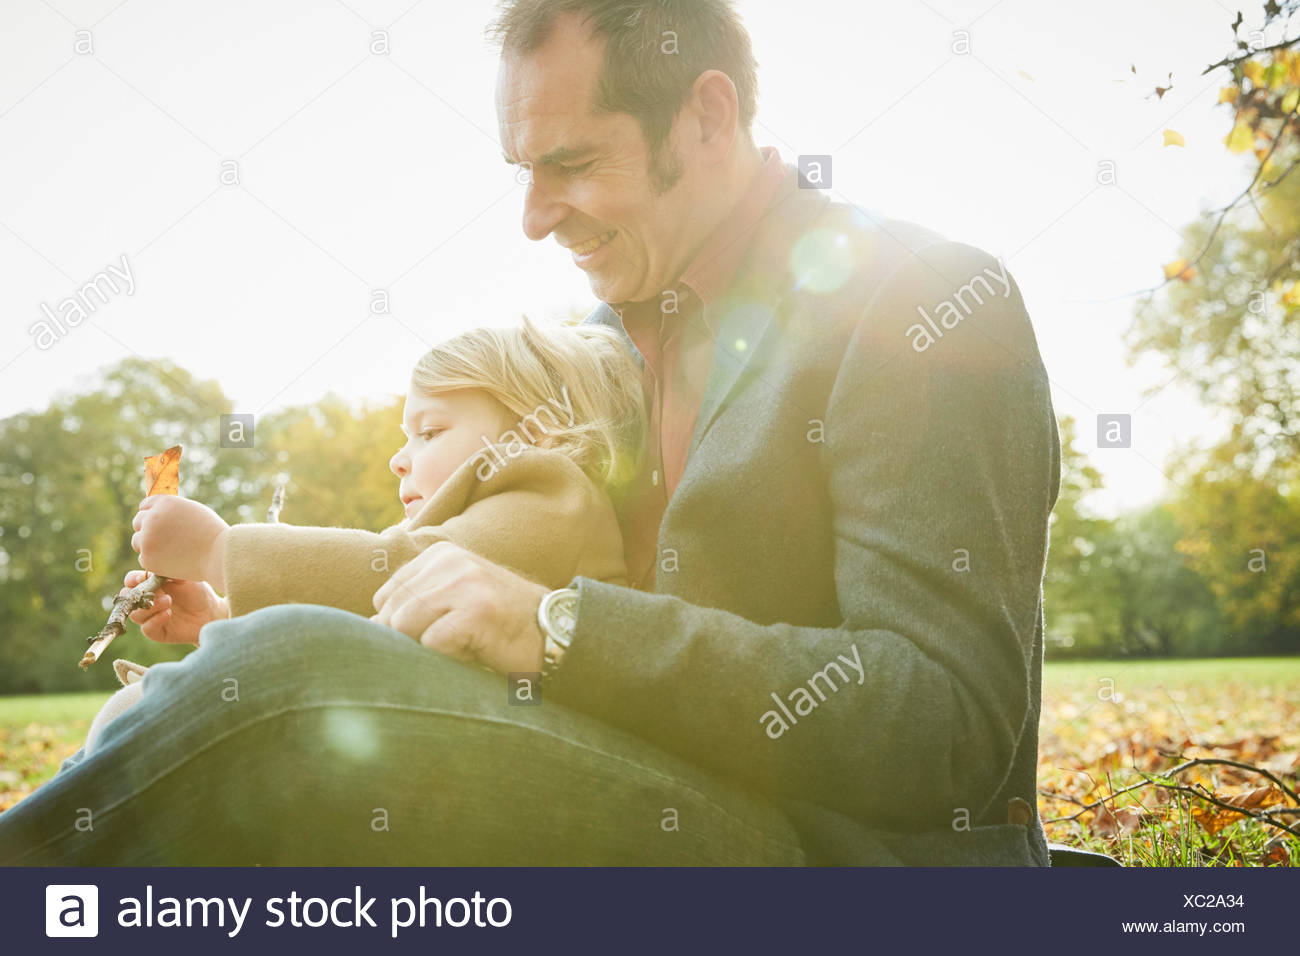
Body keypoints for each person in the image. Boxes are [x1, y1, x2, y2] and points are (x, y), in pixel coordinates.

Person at [0, 0, 1060, 866]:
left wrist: (558, 628)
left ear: (706, 115)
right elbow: (447, 563)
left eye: (574, 163)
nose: (535, 216)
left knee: (291, 676)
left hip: (838, 855)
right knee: (262, 674)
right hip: (638, 779)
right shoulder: (595, 345)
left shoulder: (919, 301)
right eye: (525, 170)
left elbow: (949, 727)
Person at [77, 316, 642, 757]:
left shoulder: (548, 496)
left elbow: (393, 570)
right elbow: (370, 624)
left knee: (141, 719)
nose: (399, 460)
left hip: (510, 766)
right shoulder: (478, 523)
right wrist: (221, 618)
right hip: (447, 750)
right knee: (136, 716)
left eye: (430, 431)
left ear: (537, 430)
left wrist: (218, 550)